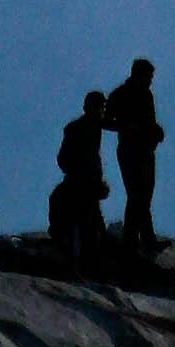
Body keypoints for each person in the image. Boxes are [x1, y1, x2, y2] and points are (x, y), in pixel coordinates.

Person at [104, 56, 164, 255]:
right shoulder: (120, 95)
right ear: (138, 75)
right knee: (137, 196)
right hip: (129, 152)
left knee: (142, 198)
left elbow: (150, 122)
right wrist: (127, 127)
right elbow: (105, 121)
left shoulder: (147, 96)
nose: (150, 80)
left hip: (146, 152)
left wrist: (156, 131)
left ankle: (132, 240)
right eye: (148, 76)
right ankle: (146, 242)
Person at [49, 92, 107, 264]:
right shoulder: (77, 129)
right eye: (97, 107)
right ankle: (76, 260)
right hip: (79, 187)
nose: (100, 111)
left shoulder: (94, 127)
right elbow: (64, 159)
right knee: (80, 225)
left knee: (93, 228)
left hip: (88, 187)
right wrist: (84, 178)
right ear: (87, 108)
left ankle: (89, 259)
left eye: (101, 107)